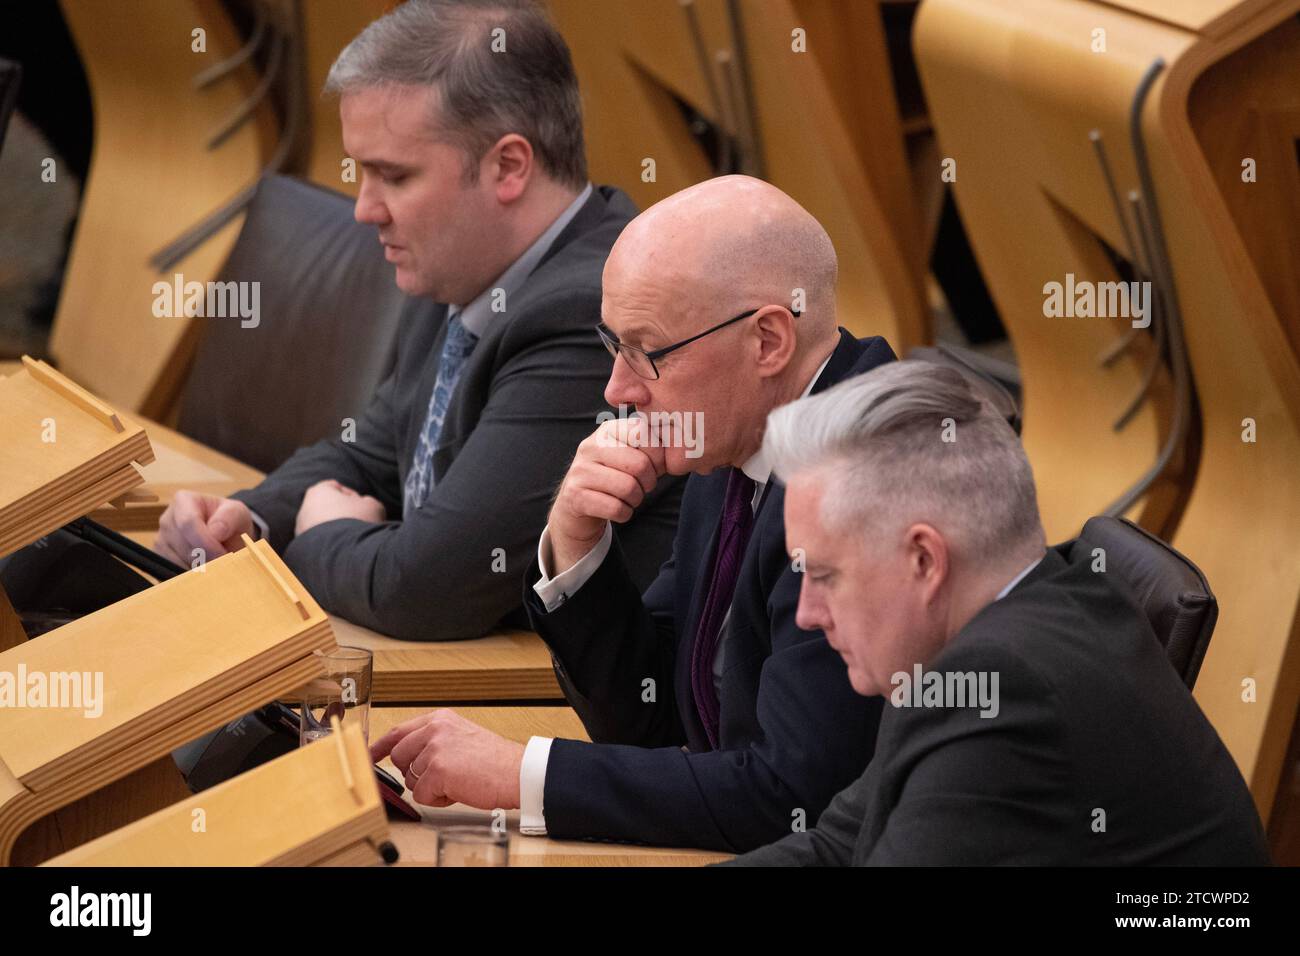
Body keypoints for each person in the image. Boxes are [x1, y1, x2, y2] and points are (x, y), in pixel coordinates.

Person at [371, 175, 897, 852]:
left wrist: (521, 771)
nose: (618, 390)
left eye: (646, 353)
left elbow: (792, 796)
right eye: (612, 347)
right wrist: (574, 542)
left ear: (768, 341)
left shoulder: (870, 473)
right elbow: (656, 718)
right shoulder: (733, 438)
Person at [153, 0, 681, 641]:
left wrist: (321, 535)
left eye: (393, 176)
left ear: (508, 166)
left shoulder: (591, 315)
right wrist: (245, 519)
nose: (364, 210)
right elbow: (372, 456)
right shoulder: (463, 264)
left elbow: (424, 591)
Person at [726, 360, 1270, 865]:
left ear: (924, 560)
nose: (807, 614)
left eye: (824, 576)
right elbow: (837, 846)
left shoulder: (1002, 693)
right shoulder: (1016, 614)